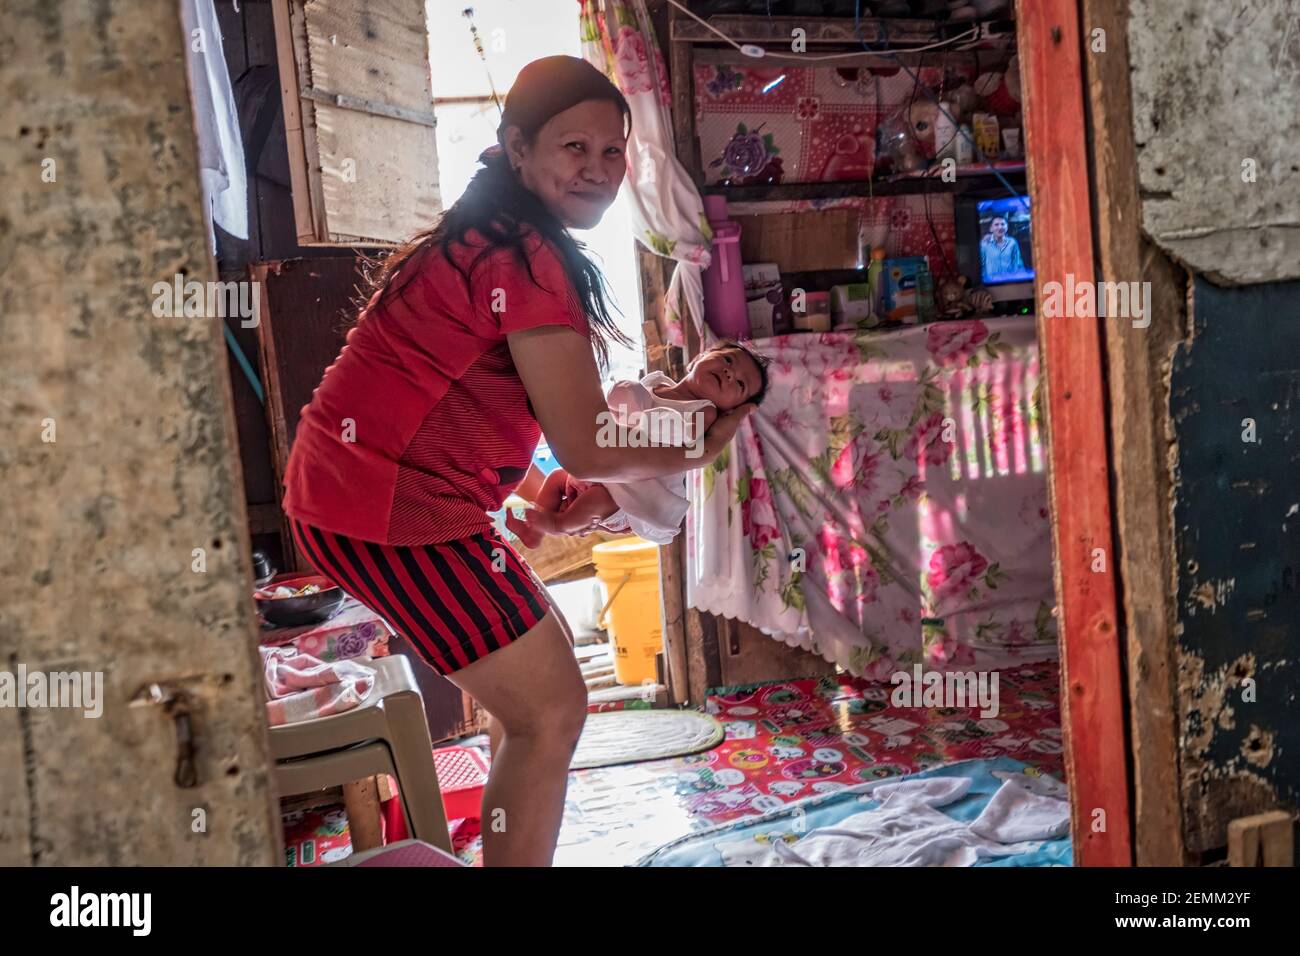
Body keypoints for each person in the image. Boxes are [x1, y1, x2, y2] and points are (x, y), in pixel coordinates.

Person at [280, 56, 755, 866]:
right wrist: (700, 438)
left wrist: (539, 489)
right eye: (576, 148)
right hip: (384, 511)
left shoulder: (489, 237)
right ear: (519, 147)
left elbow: (472, 404)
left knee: (530, 697)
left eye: (614, 153)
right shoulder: (524, 260)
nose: (599, 171)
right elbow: (585, 440)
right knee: (554, 709)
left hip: (366, 493)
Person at [509, 342, 769, 545]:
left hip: (630, 491)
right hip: (604, 462)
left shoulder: (704, 412)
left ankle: (556, 525)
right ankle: (535, 530)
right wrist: (622, 398)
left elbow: (673, 431)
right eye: (727, 360)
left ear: (730, 410)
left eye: (740, 383)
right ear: (700, 357)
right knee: (556, 477)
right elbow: (617, 408)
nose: (729, 373)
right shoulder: (656, 382)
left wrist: (636, 408)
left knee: (597, 500)